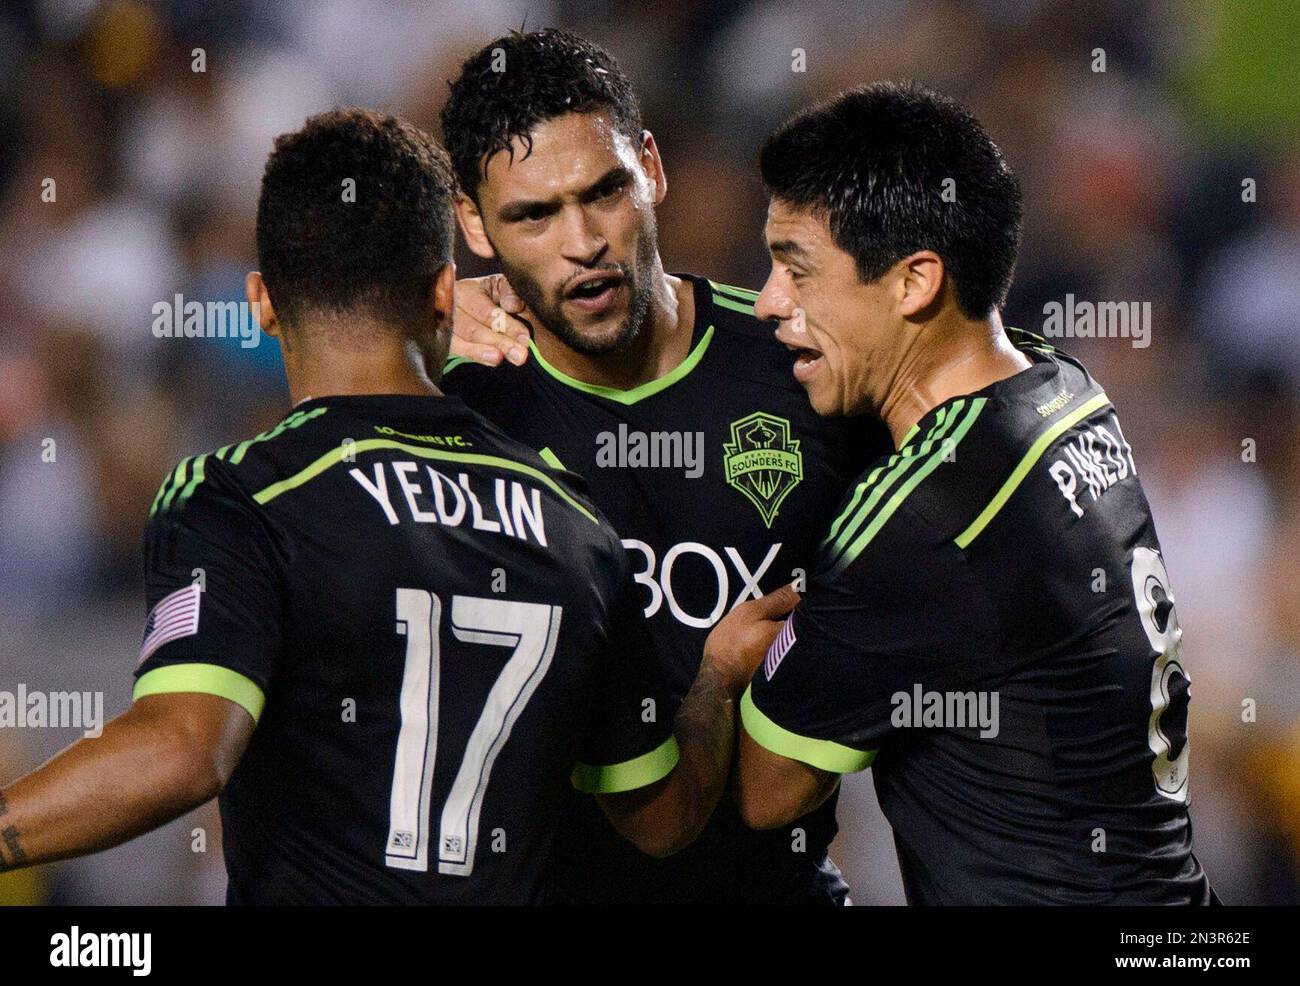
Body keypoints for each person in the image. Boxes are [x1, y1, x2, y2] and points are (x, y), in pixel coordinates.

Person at [0, 108, 791, 904]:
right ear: (446, 292)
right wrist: (714, 682)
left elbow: (181, 752)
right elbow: (660, 818)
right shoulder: (574, 522)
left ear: (264, 302)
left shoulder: (246, 494)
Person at [731, 82, 1214, 904]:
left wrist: (720, 678)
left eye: (797, 269)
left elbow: (768, 790)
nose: (772, 302)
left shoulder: (927, 518)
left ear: (916, 282)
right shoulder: (1064, 385)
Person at [439, 28, 889, 904]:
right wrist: (405, 317)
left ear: (650, 167)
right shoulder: (453, 413)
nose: (582, 242)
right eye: (534, 215)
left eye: (604, 192)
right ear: (473, 226)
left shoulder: (800, 364)